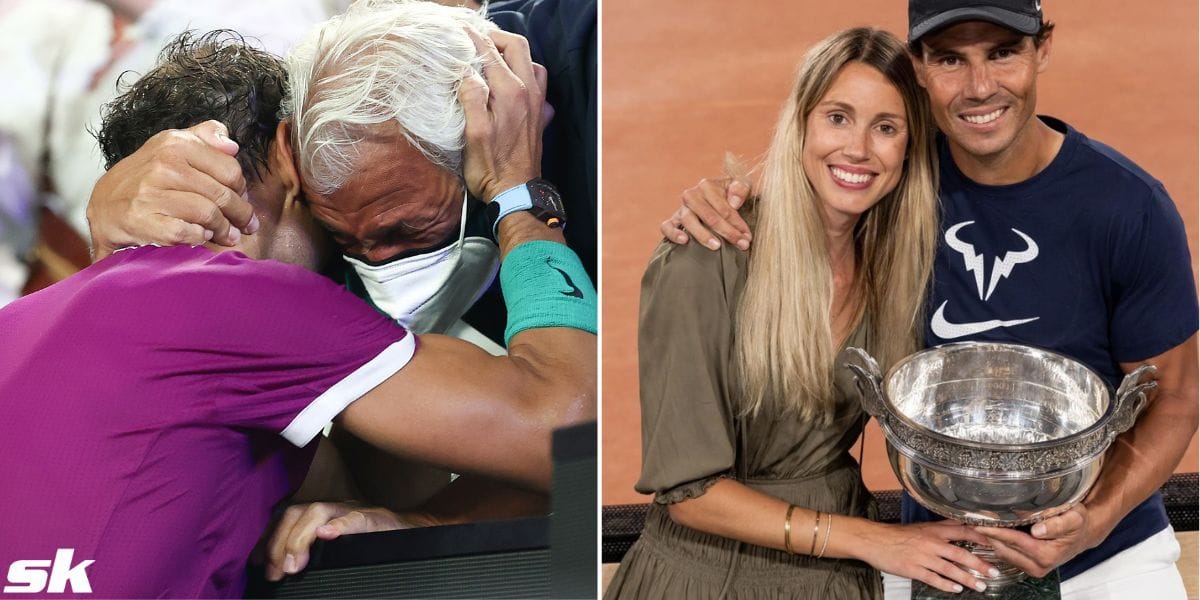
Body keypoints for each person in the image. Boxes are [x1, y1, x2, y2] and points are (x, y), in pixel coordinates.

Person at [0, 26, 595, 598]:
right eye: (335, 225)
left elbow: (378, 490)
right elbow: (574, 434)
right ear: (290, 159)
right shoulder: (243, 300)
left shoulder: (21, 324)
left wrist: (408, 518)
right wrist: (519, 194)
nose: (361, 260)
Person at [662, 1, 1198, 597]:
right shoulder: (891, 182)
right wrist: (719, 203)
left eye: (1003, 53)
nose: (979, 87)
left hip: (1106, 557)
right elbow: (809, 189)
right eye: (950, 59)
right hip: (934, 549)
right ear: (918, 66)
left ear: (1042, 50)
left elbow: (1175, 397)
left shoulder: (1127, 207)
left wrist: (1093, 521)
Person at [606, 28, 1002, 599]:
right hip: (708, 579)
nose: (858, 149)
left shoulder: (900, 273)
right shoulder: (709, 255)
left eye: (886, 128)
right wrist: (873, 540)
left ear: (910, 148)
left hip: (837, 579)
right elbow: (689, 493)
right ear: (801, 125)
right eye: (838, 118)